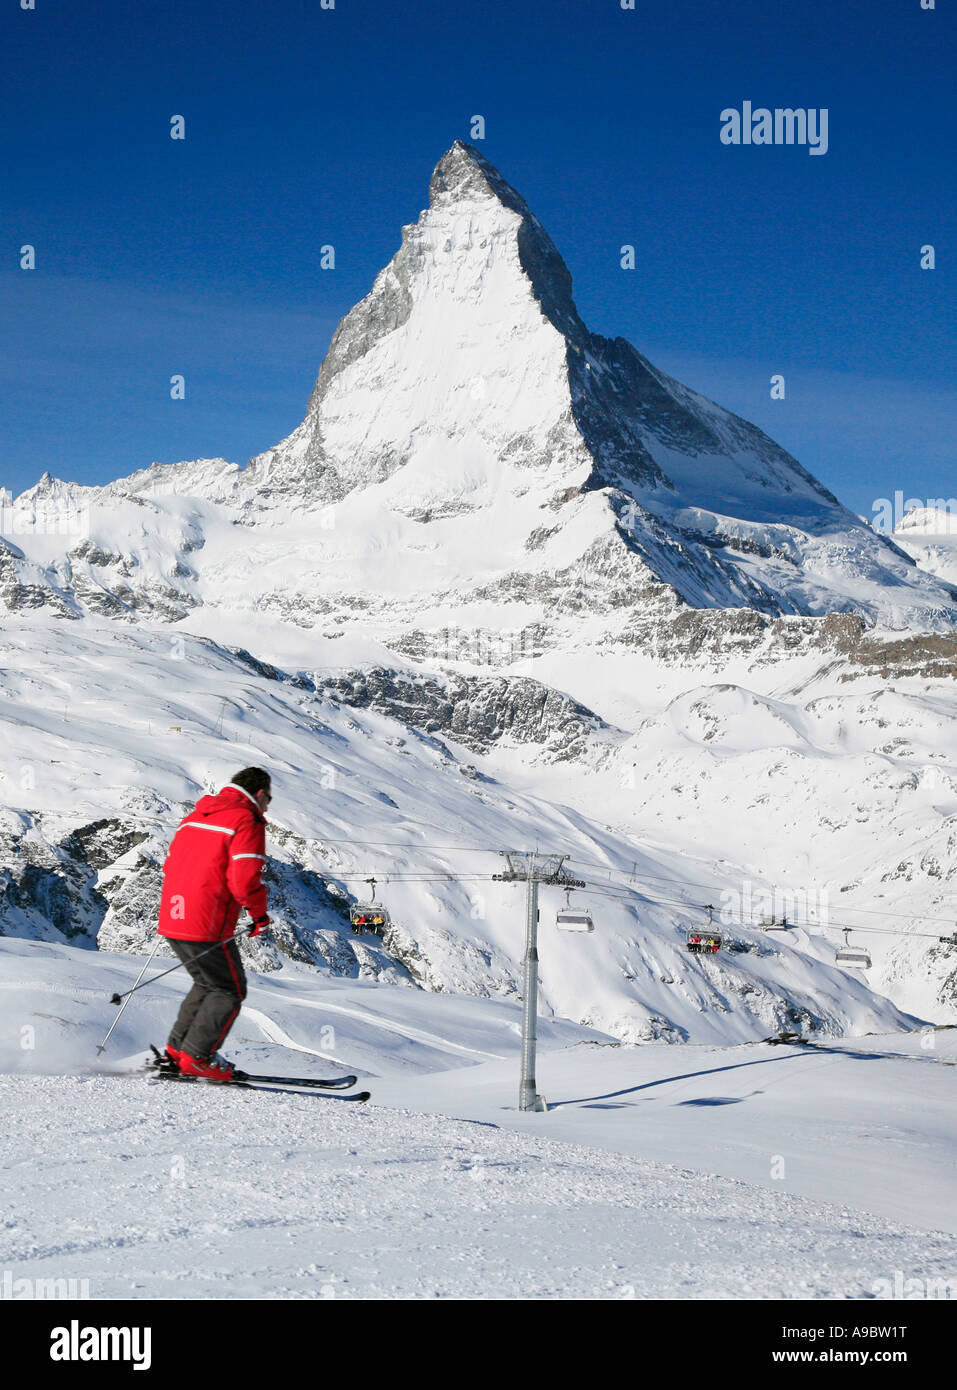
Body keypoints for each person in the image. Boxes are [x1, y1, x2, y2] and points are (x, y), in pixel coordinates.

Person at [156, 768, 272, 1080]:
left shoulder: (198, 814)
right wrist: (259, 915)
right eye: (269, 800)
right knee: (229, 989)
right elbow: (244, 878)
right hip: (205, 920)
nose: (267, 807)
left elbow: (171, 862)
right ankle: (197, 1058)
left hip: (172, 914)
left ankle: (177, 1051)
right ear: (259, 794)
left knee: (206, 983)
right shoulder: (246, 819)